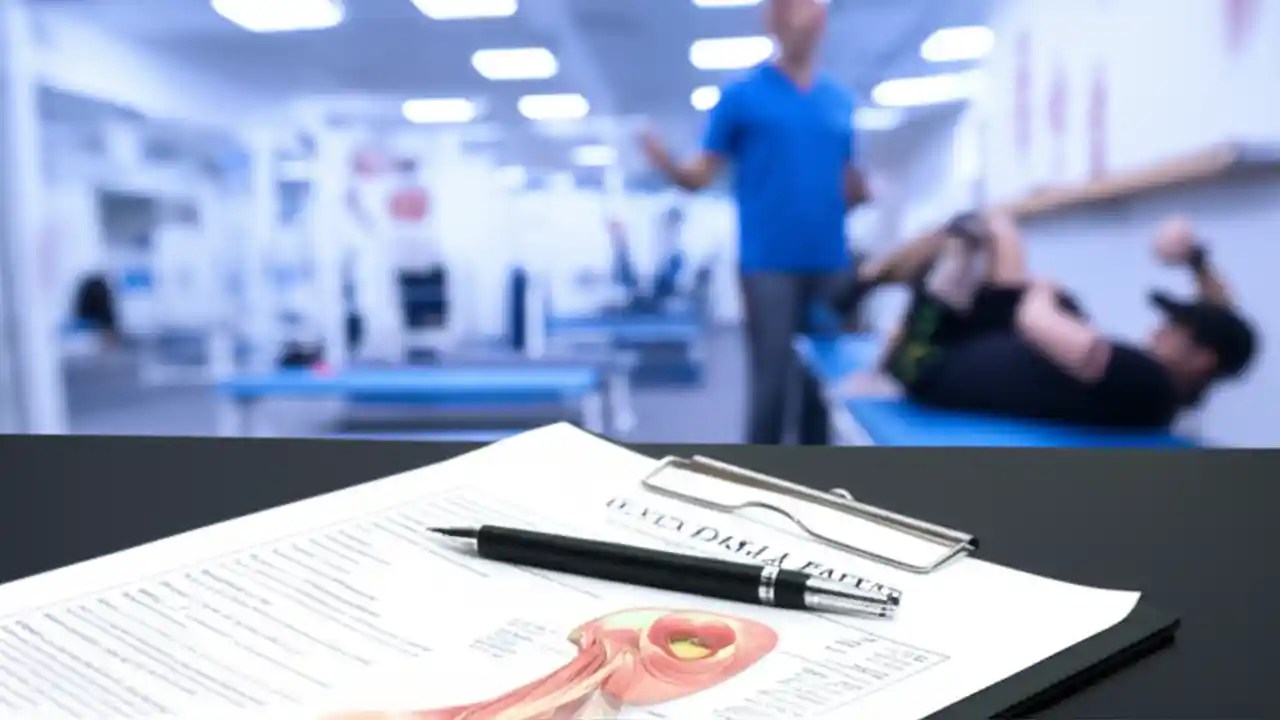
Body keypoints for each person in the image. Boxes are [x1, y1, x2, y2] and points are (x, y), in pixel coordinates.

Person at [641, 0, 870, 444]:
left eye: (811, 9)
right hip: (768, 263)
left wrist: (864, 191)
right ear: (772, 22)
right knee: (771, 386)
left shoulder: (839, 101)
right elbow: (698, 176)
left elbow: (849, 183)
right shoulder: (741, 97)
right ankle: (757, 483)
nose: (803, 18)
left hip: (830, 262)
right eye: (790, 10)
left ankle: (818, 490)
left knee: (818, 389)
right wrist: (666, 163)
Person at [834, 213, 1257, 428]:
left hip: (926, 365)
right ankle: (871, 279)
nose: (1158, 330)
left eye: (1176, 331)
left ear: (1202, 359)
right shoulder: (1155, 385)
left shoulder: (1149, 381)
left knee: (983, 233)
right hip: (958, 351)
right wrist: (1198, 260)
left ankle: (869, 278)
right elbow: (1226, 324)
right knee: (983, 233)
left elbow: (1040, 324)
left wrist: (1043, 292)